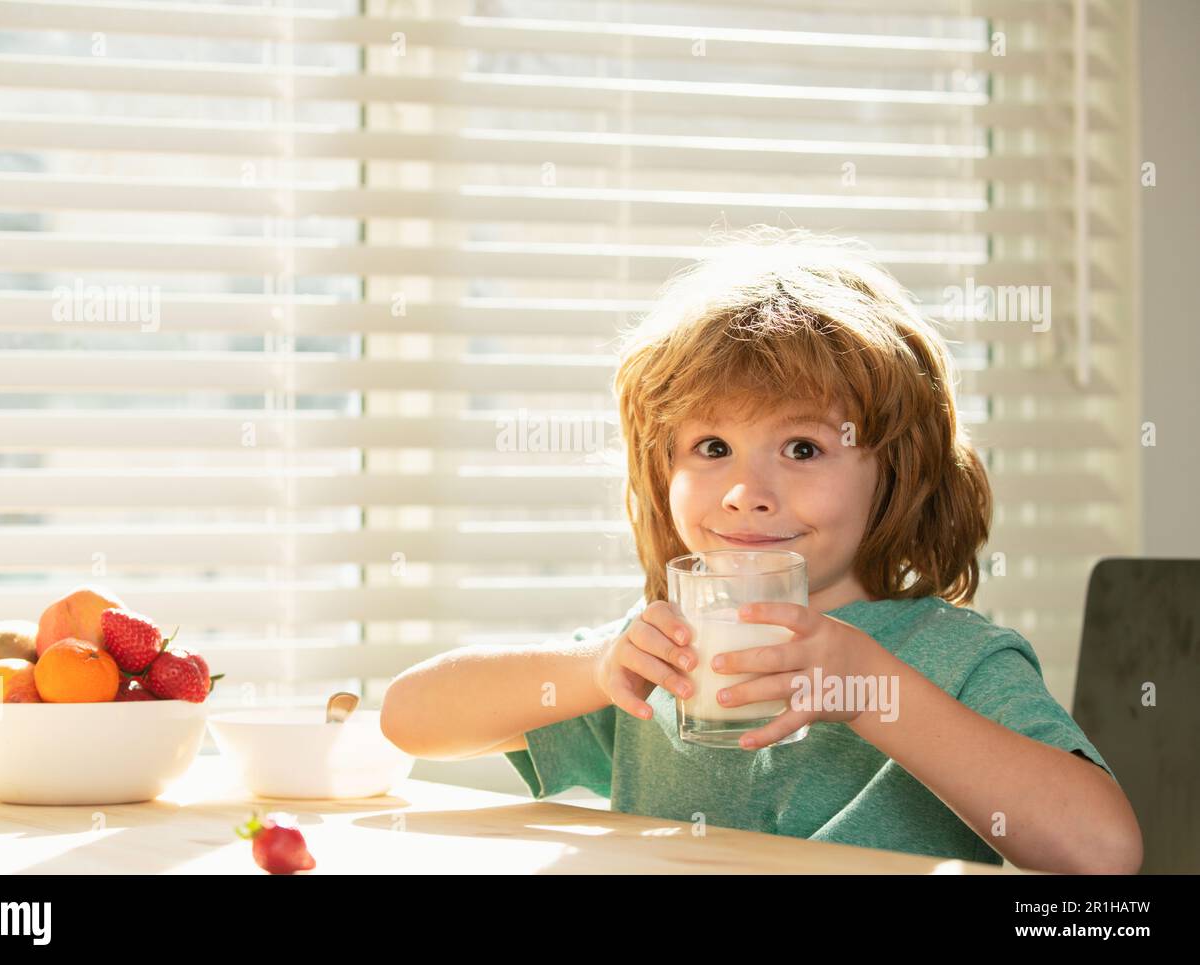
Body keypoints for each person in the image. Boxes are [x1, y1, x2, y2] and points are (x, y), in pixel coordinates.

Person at [381, 226, 1143, 874]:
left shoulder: (951, 657)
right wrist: (592, 673)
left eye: (804, 448)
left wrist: (873, 688)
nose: (747, 489)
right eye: (712, 445)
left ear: (897, 472)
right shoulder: (665, 659)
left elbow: (1104, 849)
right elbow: (409, 718)